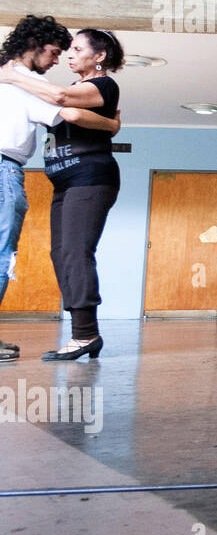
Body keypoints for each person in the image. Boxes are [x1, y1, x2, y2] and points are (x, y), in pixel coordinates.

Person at [0, 28, 126, 360]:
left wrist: (12, 75)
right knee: (61, 254)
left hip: (90, 176)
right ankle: (83, 334)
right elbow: (66, 112)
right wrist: (111, 126)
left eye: (77, 49)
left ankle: (85, 335)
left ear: (99, 57)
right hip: (64, 182)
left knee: (75, 252)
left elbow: (62, 102)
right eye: (66, 50)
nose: (69, 55)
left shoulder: (103, 84)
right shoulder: (70, 89)